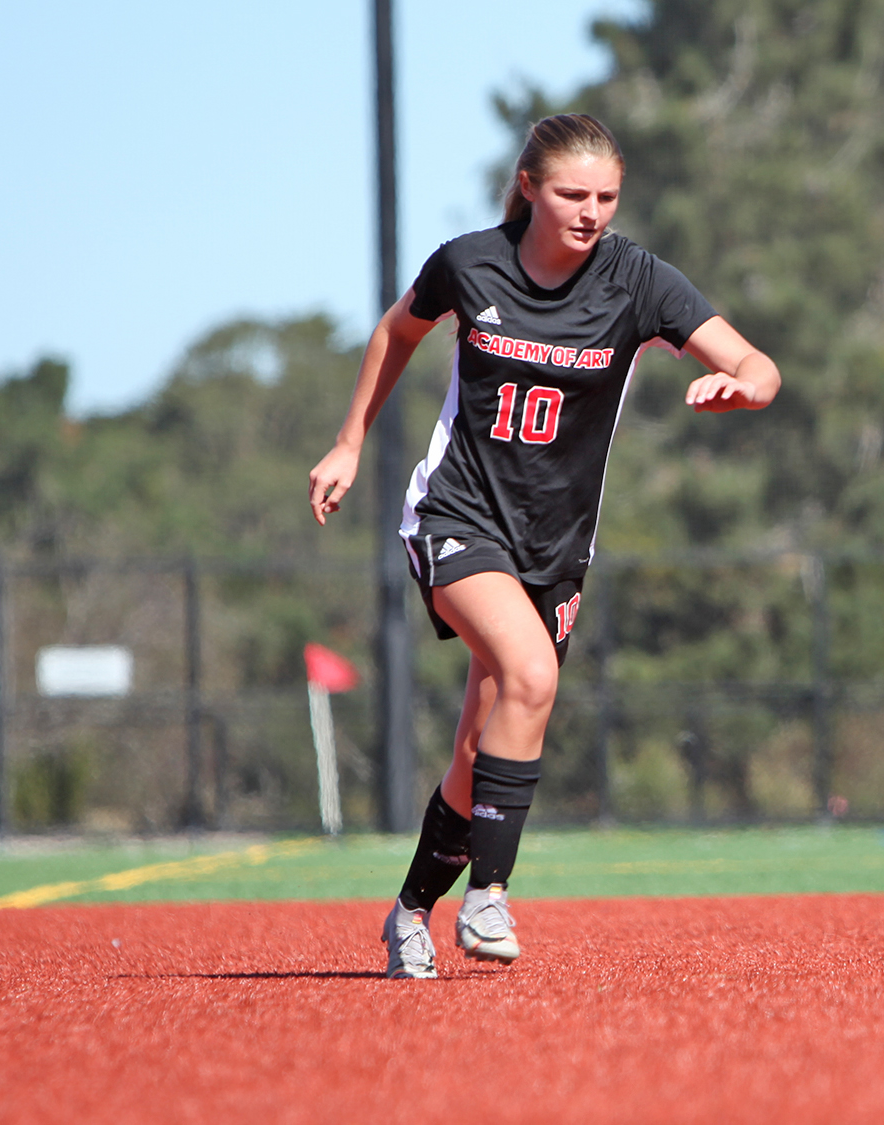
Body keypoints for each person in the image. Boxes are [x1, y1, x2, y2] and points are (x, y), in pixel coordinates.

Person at [307, 113, 780, 979]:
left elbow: (757, 362)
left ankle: (411, 909)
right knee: (531, 674)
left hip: (555, 546)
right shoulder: (469, 263)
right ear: (529, 186)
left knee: (479, 753)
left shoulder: (637, 281)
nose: (591, 211)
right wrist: (348, 442)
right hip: (457, 514)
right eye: (572, 193)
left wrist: (743, 388)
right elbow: (397, 333)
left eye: (606, 196)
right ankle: (491, 891)